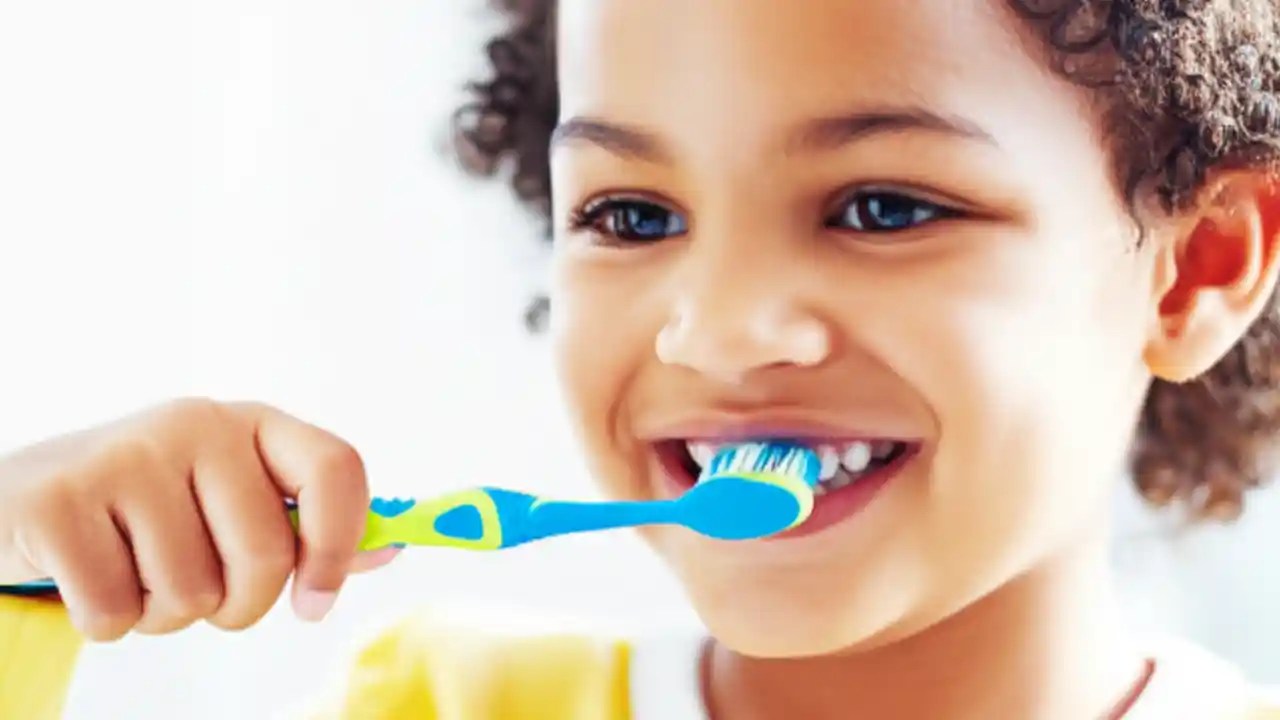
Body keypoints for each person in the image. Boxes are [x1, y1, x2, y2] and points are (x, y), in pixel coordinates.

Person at [4, 0, 1280, 717]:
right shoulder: (436, 703)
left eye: (882, 207)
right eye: (631, 217)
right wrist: (16, 595)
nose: (713, 330)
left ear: (1198, 265)